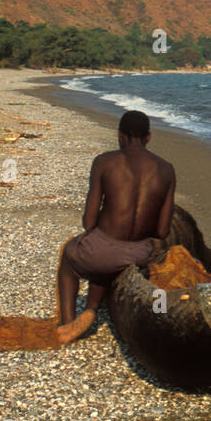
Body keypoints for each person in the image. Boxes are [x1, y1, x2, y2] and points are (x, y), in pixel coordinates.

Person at [55, 110, 176, 343]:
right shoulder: (166, 169)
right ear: (148, 137)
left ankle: (67, 324)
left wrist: (108, 218)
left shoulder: (104, 162)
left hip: (103, 251)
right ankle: (91, 309)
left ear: (120, 136)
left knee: (70, 258)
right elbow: (162, 231)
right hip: (141, 254)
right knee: (106, 254)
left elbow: (88, 223)